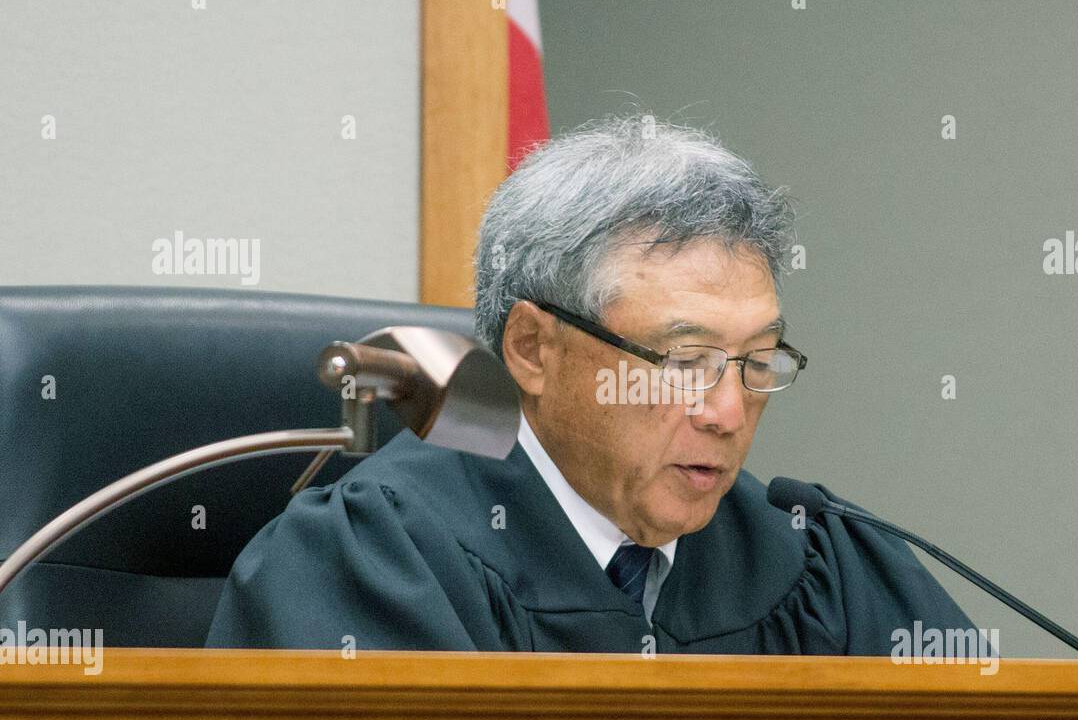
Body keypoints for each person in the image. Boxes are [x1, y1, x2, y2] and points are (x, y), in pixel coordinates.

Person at [206, 114, 978, 654]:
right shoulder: (378, 560)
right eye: (684, 362)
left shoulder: (811, 567)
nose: (729, 410)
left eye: (756, 360)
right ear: (535, 350)